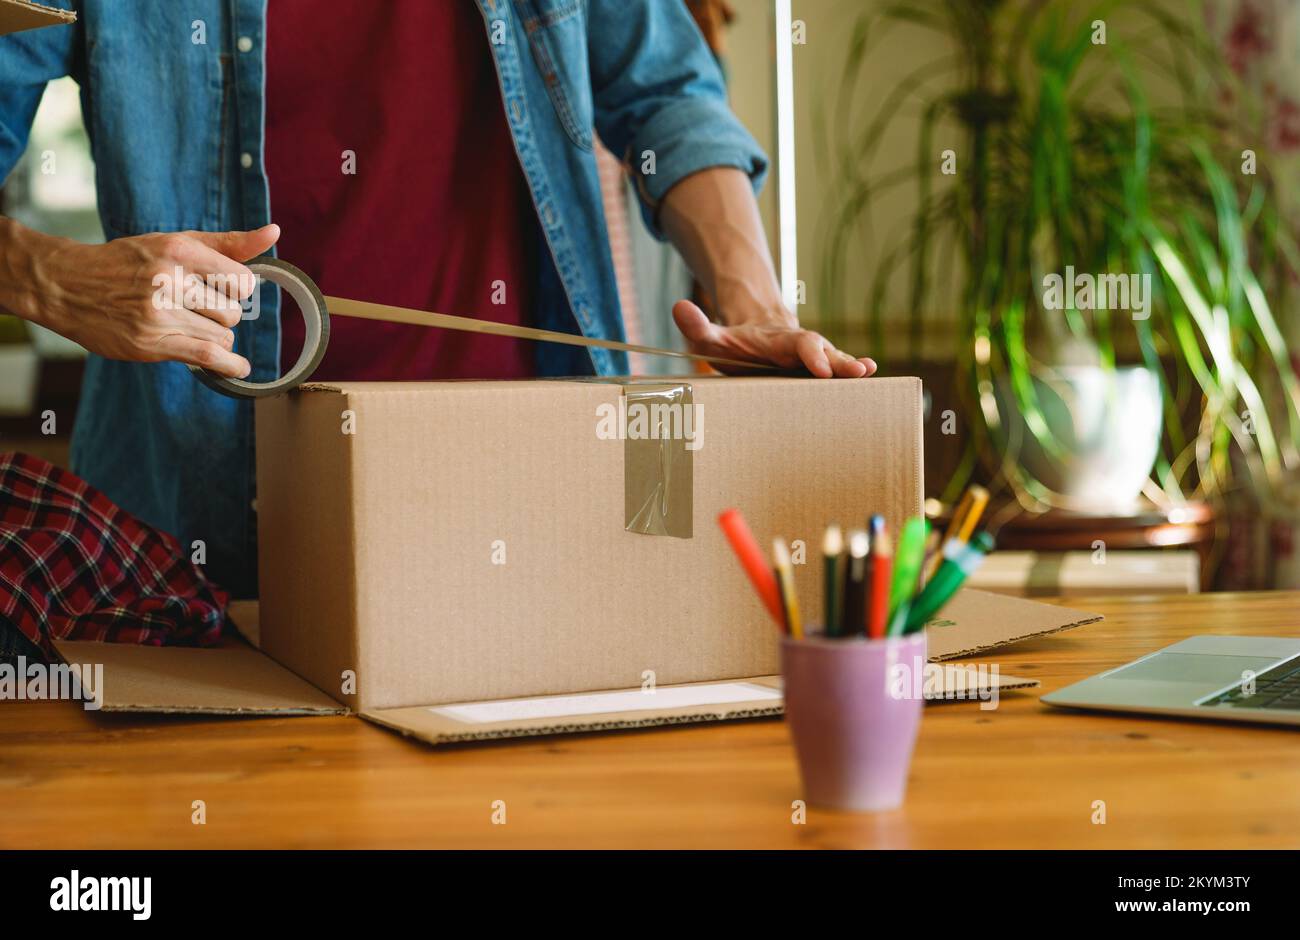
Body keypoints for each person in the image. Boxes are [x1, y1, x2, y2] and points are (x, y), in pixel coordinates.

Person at [0, 0, 875, 596]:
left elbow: (670, 94)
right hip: (205, 537)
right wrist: (54, 278)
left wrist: (754, 303)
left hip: (543, 516)